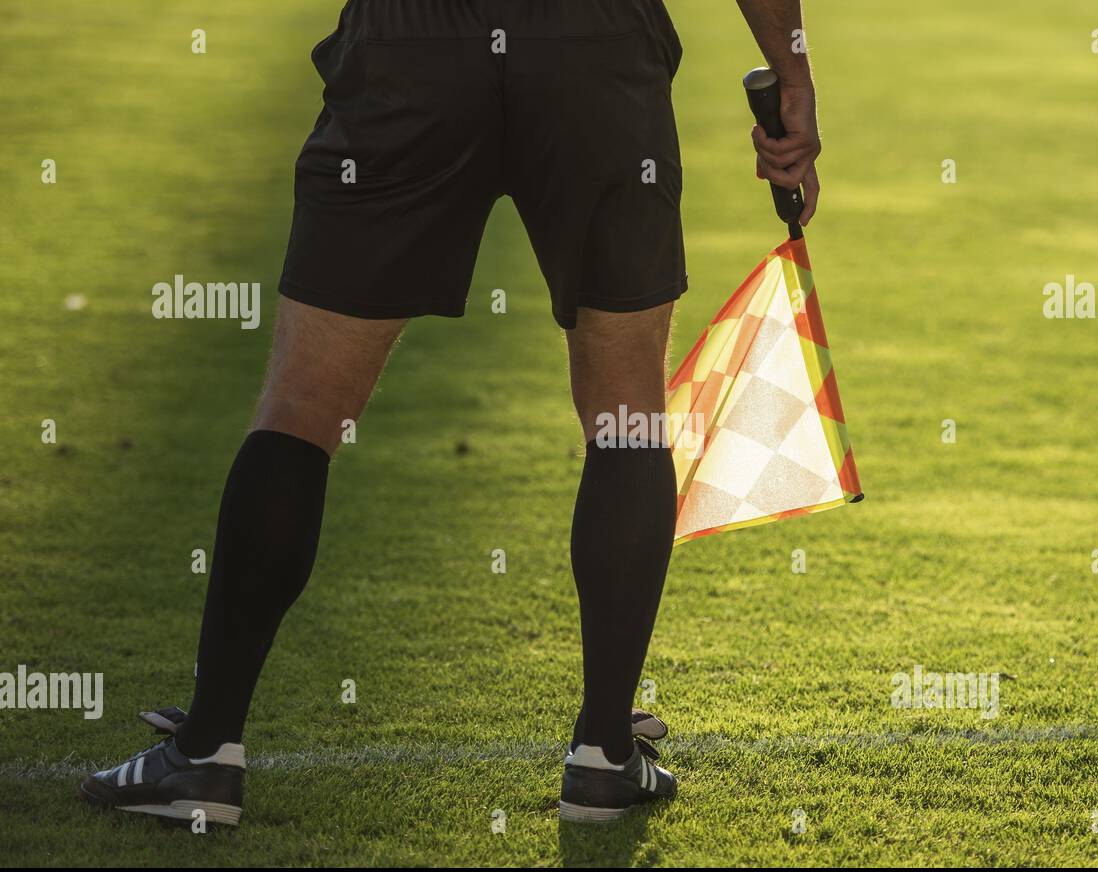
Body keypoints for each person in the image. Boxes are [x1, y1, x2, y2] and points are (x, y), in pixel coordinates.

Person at [79, 0, 821, 826]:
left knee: (301, 411)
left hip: (413, 44)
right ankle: (604, 753)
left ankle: (205, 756)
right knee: (626, 418)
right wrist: (792, 75)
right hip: (594, 44)